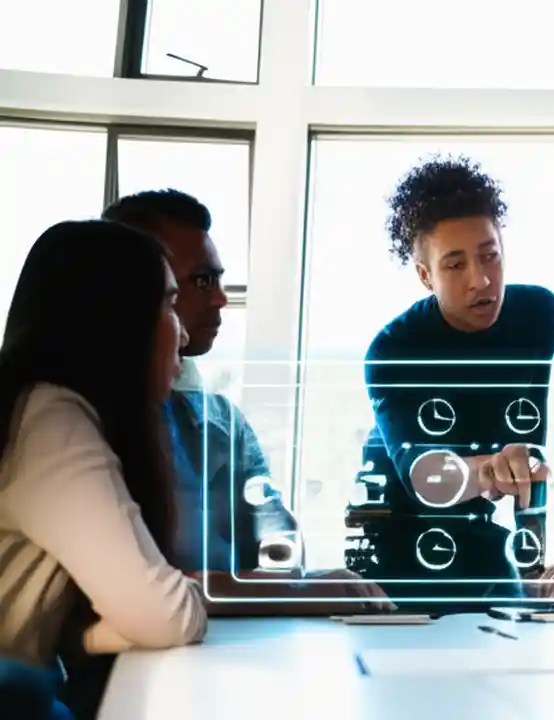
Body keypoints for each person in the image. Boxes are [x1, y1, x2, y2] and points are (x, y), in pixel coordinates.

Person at [104, 190, 388, 613]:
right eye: (202, 280)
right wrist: (293, 592)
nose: (221, 298)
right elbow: (141, 589)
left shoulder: (223, 423)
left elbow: (277, 535)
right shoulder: (79, 430)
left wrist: (285, 577)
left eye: (219, 279)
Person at [0, 221, 206, 715]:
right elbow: (167, 617)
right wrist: (193, 594)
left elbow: (72, 625)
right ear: (115, 321)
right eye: (168, 305)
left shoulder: (33, 409)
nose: (181, 333)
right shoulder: (50, 422)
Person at [360, 156, 554, 599]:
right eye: (455, 265)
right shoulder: (392, 350)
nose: (481, 280)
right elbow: (421, 476)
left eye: (490, 256)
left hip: (479, 530)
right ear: (425, 275)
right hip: (393, 543)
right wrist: (490, 468)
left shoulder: (537, 315)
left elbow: (529, 445)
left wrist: (535, 564)